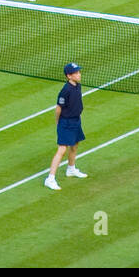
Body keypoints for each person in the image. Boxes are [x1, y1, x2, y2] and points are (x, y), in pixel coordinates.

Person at [43, 62, 88, 191]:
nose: (79, 74)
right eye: (76, 73)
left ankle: (71, 169)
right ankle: (50, 179)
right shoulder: (65, 90)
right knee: (62, 149)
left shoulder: (78, 86)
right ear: (69, 76)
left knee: (75, 145)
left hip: (76, 121)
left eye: (79, 72)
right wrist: (58, 122)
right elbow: (58, 109)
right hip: (66, 122)